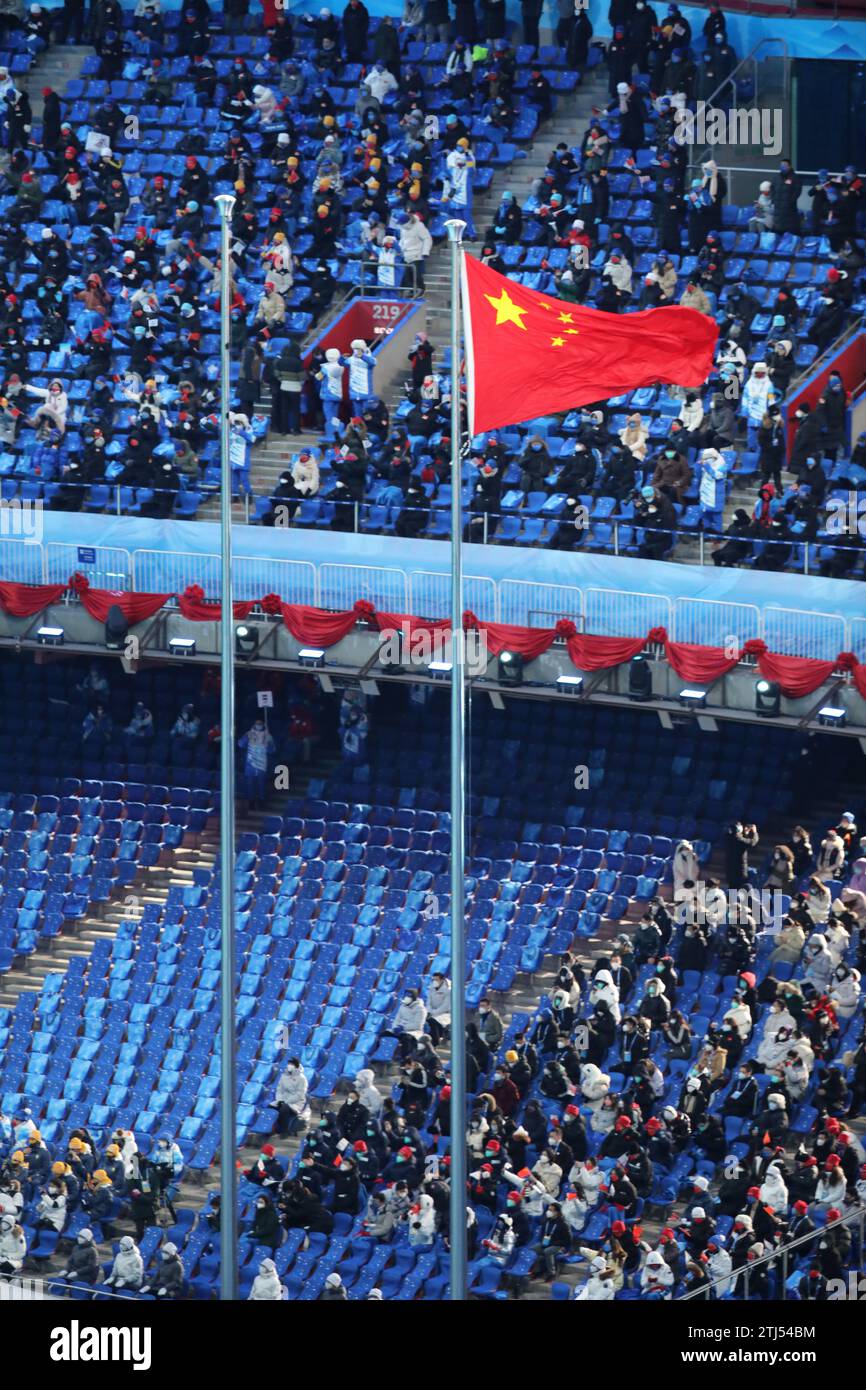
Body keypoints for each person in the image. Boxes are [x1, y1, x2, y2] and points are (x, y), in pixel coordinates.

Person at [239, 717, 275, 809]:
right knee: (250, 784)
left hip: (261, 764)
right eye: (257, 723)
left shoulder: (268, 736)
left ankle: (262, 802)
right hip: (250, 763)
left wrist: (268, 745)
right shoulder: (249, 734)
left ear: (263, 724)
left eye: (260, 724)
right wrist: (245, 739)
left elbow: (272, 750)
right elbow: (240, 744)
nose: (258, 725)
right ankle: (251, 802)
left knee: (261, 785)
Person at [272, 1058, 309, 1136]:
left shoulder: (302, 1079)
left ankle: (283, 1130)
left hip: (297, 1103)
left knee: (284, 1108)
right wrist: (279, 1099)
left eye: (291, 1064)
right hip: (283, 1100)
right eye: (289, 1064)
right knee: (271, 1106)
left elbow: (299, 1095)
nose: (289, 1066)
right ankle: (270, 1128)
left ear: (296, 1066)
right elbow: (279, 1089)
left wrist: (286, 1101)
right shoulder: (284, 1076)